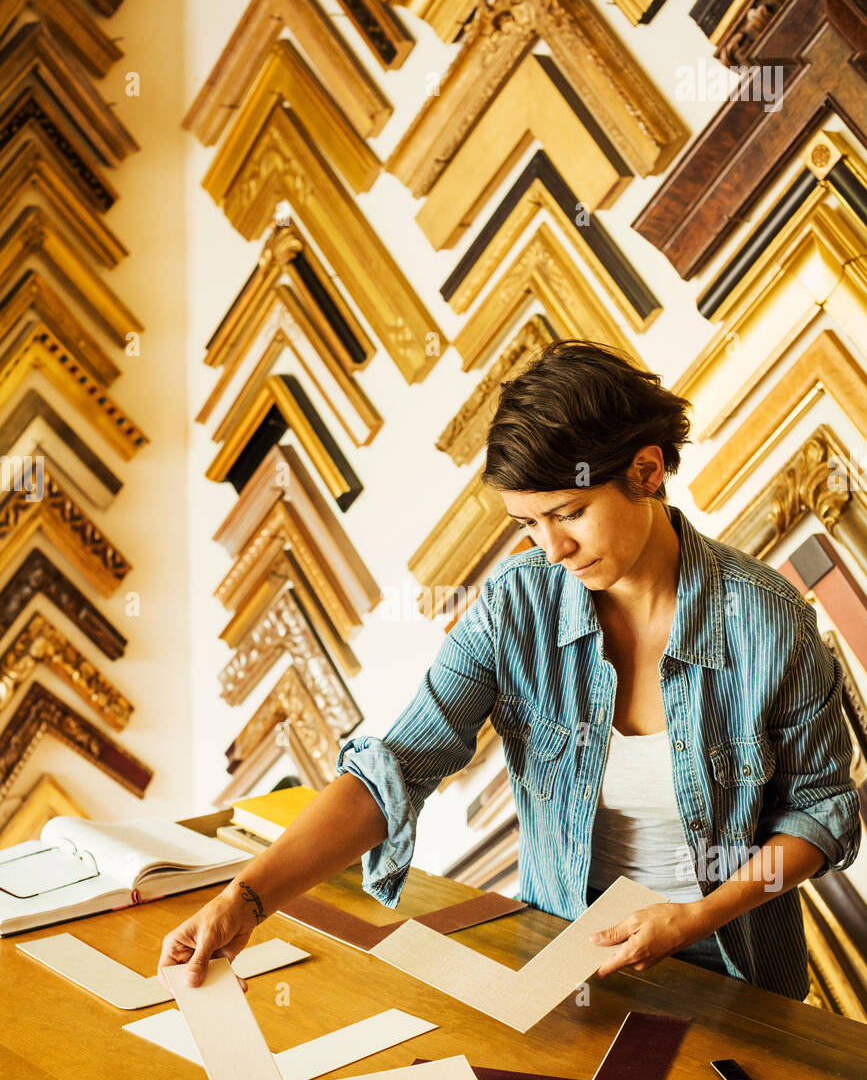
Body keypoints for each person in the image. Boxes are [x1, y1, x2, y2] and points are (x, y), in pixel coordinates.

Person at [158, 339, 861, 1001]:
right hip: (566, 960)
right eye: (527, 525)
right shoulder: (514, 607)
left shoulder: (769, 622)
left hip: (733, 975)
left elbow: (821, 813)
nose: (550, 549)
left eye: (569, 514)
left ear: (646, 472)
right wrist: (245, 900)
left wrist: (697, 916)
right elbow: (394, 770)